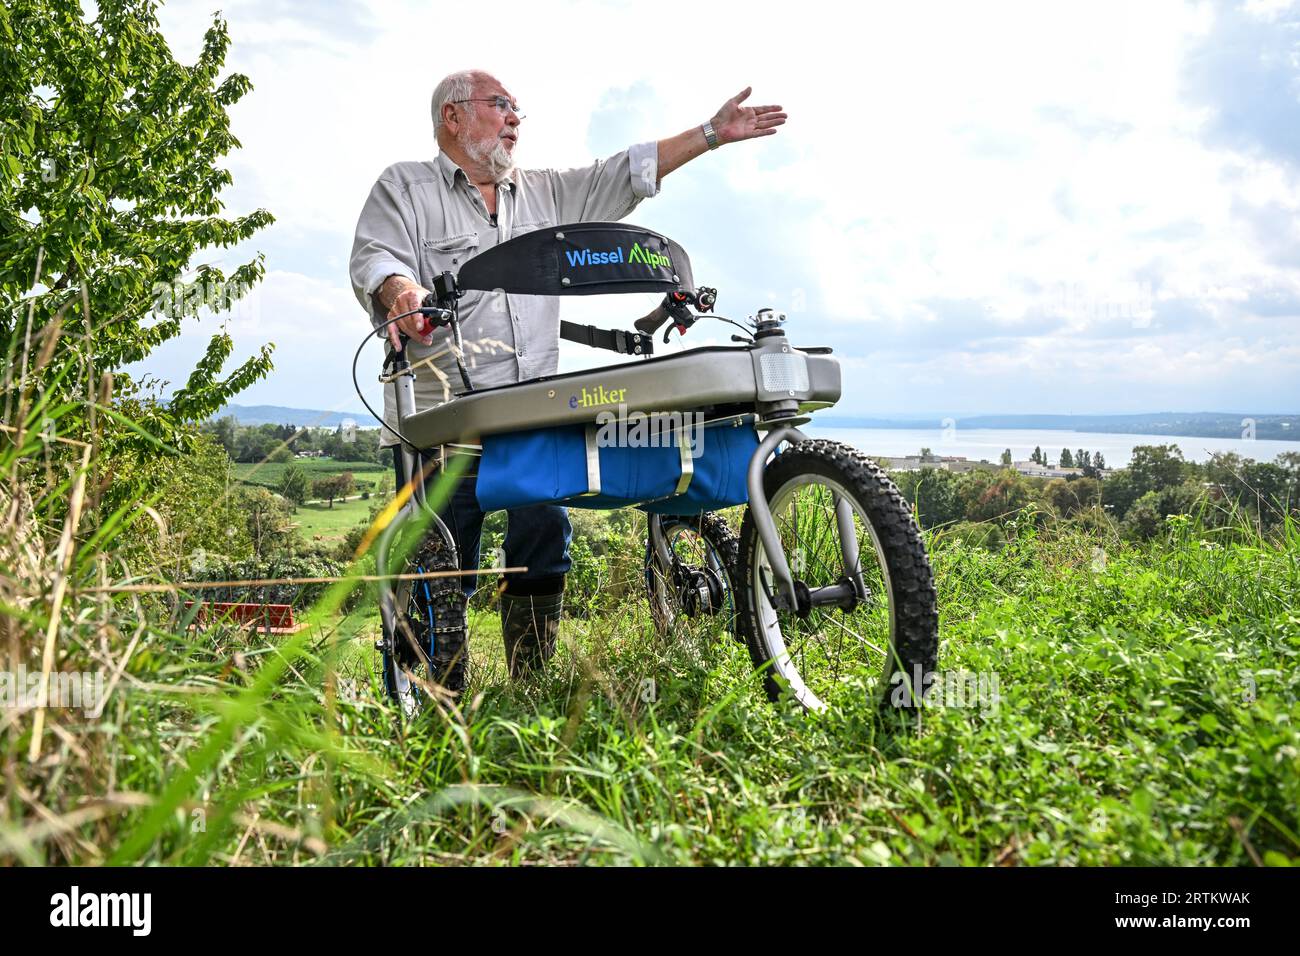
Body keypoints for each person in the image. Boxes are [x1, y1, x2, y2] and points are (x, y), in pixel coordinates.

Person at [349, 69, 786, 690]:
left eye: (517, 110)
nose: (514, 120)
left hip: (530, 413)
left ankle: (530, 684)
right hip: (445, 417)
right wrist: (403, 291)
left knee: (544, 532)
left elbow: (625, 173)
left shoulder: (545, 193)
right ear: (453, 116)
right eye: (500, 106)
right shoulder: (405, 187)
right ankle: (432, 699)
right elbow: (377, 256)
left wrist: (711, 133)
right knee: (444, 558)